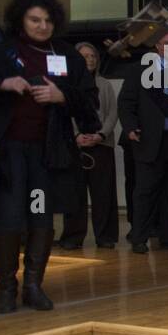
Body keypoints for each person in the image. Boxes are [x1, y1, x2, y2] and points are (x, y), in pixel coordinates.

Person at [0, 0, 100, 312]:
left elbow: (89, 105)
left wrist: (61, 95)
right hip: (8, 153)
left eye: (48, 20)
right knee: (9, 220)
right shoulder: (1, 51)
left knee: (41, 218)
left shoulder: (67, 55)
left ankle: (33, 286)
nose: (41, 26)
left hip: (47, 154)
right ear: (21, 19)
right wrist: (3, 85)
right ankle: (7, 288)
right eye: (34, 20)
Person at [116, 29, 168, 254]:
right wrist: (129, 128)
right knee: (145, 190)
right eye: (166, 43)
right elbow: (126, 102)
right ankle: (139, 236)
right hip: (148, 139)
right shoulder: (139, 70)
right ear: (156, 46)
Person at [58, 42, 120, 250]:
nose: (90, 59)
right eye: (85, 56)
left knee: (104, 194)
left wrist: (100, 134)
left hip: (101, 145)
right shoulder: (67, 85)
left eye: (93, 56)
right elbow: (65, 113)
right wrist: (76, 135)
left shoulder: (105, 84)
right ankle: (72, 237)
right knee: (75, 194)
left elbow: (112, 114)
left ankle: (105, 237)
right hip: (75, 146)